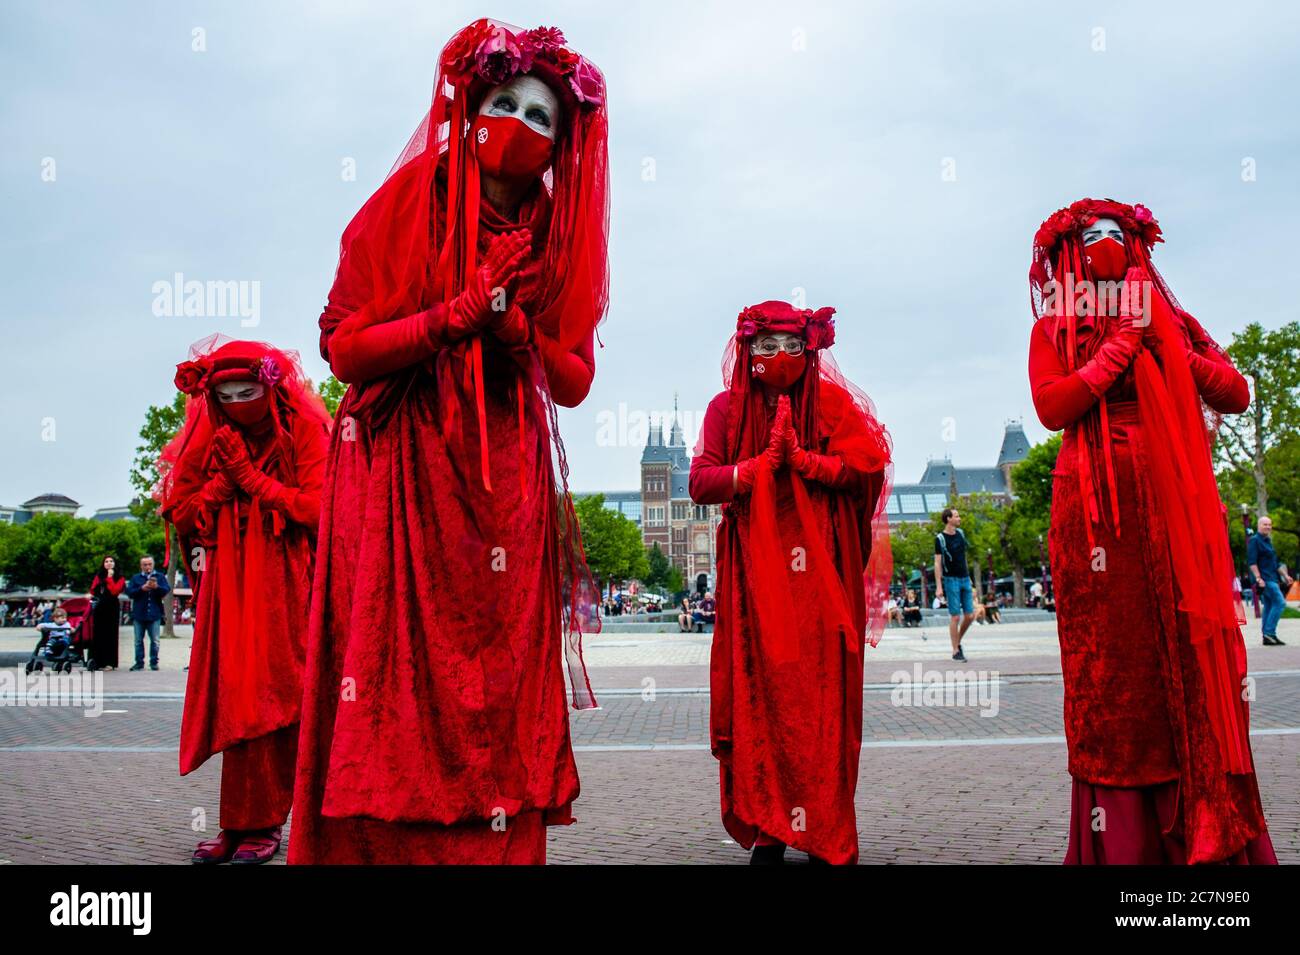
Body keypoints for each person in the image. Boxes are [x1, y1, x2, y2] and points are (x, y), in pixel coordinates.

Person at [289, 19, 610, 865]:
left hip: (505, 477)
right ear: (469, 106)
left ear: (562, 144)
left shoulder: (559, 236)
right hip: (404, 465)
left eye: (543, 118)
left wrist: (517, 341)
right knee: (399, 672)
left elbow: (573, 378)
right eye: (505, 103)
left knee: (499, 678)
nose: (522, 127)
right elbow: (344, 346)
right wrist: (447, 319)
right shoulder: (407, 203)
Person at [1028, 197, 1274, 864]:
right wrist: (1120, 348)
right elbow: (1052, 405)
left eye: (1119, 233)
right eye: (1092, 235)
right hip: (1095, 509)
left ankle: (1209, 822)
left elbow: (1236, 390)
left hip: (1177, 506)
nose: (1107, 243)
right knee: (1115, 670)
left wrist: (1167, 346)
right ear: (1068, 252)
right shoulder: (1055, 324)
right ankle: (1128, 838)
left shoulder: (1171, 315)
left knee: (1195, 661)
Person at [689, 299, 892, 865]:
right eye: (767, 348)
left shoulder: (830, 403)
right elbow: (701, 481)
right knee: (763, 694)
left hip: (818, 571)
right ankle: (771, 826)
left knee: (821, 693)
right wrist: (754, 470)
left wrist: (809, 463)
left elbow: (867, 466)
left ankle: (824, 825)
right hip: (756, 573)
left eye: (792, 349)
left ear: (810, 351)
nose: (779, 359)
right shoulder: (725, 409)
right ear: (747, 351)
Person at [158, 337, 331, 864]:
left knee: (275, 695)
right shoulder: (209, 434)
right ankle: (239, 822)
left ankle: (268, 820)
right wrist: (218, 490)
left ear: (271, 386)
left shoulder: (304, 430)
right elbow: (181, 510)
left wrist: (254, 482)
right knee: (235, 693)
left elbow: (323, 508)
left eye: (247, 391)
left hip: (285, 583)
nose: (236, 404)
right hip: (228, 587)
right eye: (225, 394)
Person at [934, 508, 974, 661]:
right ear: (948, 519)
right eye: (957, 516)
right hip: (951, 580)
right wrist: (939, 586)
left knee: (970, 615)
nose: (959, 518)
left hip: (964, 578)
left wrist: (969, 575)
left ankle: (957, 641)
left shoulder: (961, 534)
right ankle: (955, 650)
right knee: (955, 617)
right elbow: (937, 564)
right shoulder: (940, 539)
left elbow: (963, 557)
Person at [1248, 516, 1291, 646]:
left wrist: (1285, 576)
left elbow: (1276, 563)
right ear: (1259, 526)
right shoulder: (1255, 541)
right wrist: (1258, 578)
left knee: (1269, 605)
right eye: (1265, 524)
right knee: (1280, 603)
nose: (1267, 527)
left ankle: (1268, 636)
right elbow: (1252, 562)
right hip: (1265, 579)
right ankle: (1269, 632)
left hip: (1273, 578)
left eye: (1269, 525)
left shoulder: (1268, 541)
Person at [125, 555, 170, 671]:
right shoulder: (135, 578)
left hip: (154, 613)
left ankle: (154, 662)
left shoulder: (159, 576)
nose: (147, 567)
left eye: (149, 564)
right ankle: (139, 662)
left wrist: (157, 587)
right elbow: (129, 592)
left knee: (155, 640)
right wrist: (141, 588)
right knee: (138, 640)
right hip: (139, 614)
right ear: (141, 566)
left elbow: (166, 590)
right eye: (145, 565)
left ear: (153, 564)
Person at [87, 555, 126, 670]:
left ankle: (110, 662)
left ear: (115, 563)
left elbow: (115, 591)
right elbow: (93, 590)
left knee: (110, 634)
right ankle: (96, 661)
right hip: (99, 606)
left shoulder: (120, 578)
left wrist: (109, 578)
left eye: (111, 561)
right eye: (106, 561)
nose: (108, 563)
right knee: (97, 633)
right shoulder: (99, 576)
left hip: (112, 606)